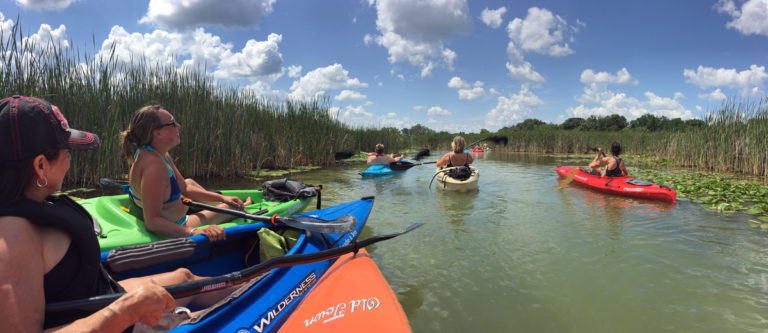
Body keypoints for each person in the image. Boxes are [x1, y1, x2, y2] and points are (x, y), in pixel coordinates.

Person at [0, 96, 231, 331]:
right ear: (40, 166)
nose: (70, 156)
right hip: (114, 323)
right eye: (67, 149)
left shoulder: (34, 203)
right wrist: (125, 311)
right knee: (223, 317)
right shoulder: (13, 240)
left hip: (103, 297)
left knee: (184, 277)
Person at [121, 105, 251, 241]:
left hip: (173, 210)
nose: (178, 126)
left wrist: (222, 198)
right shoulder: (154, 165)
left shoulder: (157, 152)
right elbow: (152, 222)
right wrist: (193, 232)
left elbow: (185, 188)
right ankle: (236, 209)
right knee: (234, 208)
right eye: (172, 123)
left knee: (189, 182)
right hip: (178, 223)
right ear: (157, 133)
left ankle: (221, 207)